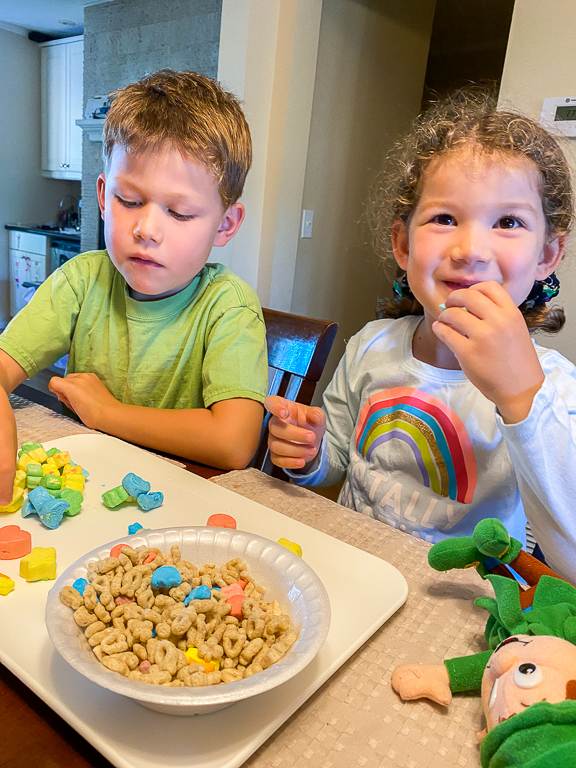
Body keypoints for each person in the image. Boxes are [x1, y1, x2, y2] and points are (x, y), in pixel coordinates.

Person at [265, 89, 576, 583]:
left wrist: (522, 397)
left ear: (547, 255)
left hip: (458, 610)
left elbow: (569, 555)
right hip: (349, 568)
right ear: (404, 245)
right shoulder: (372, 345)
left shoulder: (555, 388)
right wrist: (309, 454)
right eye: (445, 218)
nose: (471, 249)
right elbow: (339, 462)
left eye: (509, 221)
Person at [0, 70, 268, 505]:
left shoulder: (228, 307)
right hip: (86, 497)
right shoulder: (82, 280)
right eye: (129, 201)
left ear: (225, 224)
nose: (146, 229)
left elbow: (234, 442)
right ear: (104, 197)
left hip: (182, 511)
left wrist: (106, 413)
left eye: (179, 212)